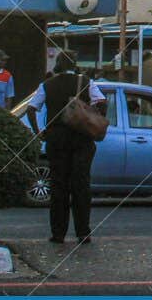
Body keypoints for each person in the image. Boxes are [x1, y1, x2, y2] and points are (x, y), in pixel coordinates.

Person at [23, 53, 104, 245]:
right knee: (81, 186)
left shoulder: (48, 85)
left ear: (58, 64)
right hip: (82, 140)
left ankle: (58, 234)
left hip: (57, 140)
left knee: (59, 187)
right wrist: (94, 122)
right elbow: (101, 101)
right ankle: (83, 233)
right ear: (74, 65)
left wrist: (39, 132)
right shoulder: (86, 82)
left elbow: (31, 109)